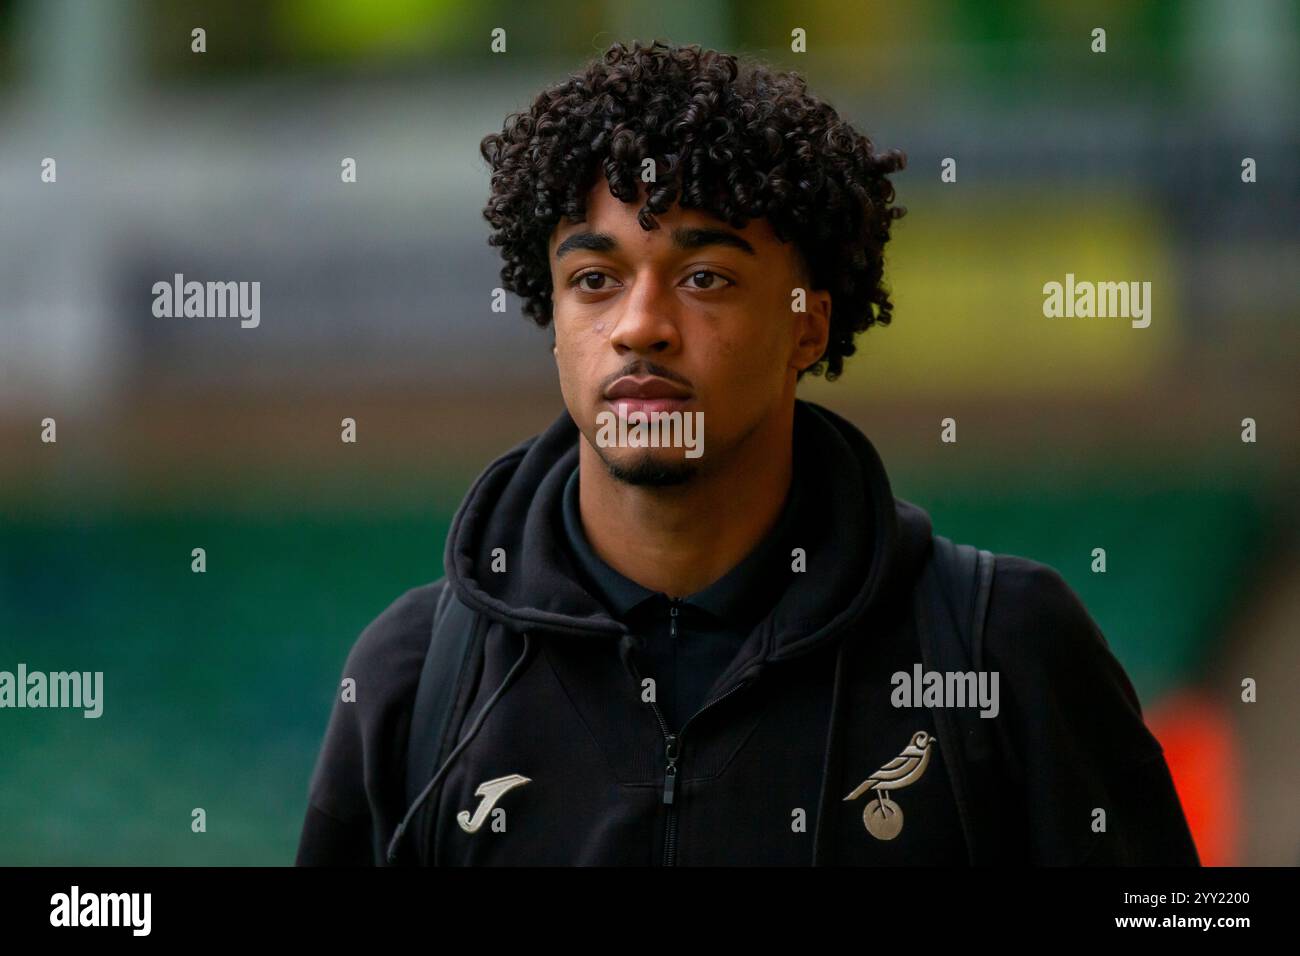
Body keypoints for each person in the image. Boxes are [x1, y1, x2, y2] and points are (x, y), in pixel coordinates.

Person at [296, 40, 1199, 866]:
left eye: (704, 278)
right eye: (594, 280)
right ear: (555, 320)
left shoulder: (999, 650)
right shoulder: (414, 681)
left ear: (808, 326)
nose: (640, 327)